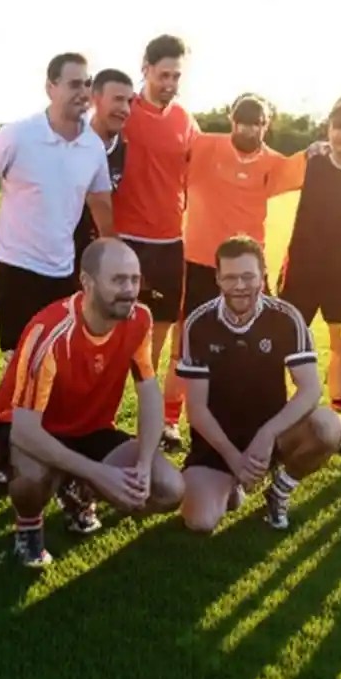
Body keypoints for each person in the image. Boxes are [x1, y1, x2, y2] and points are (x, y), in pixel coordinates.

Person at [0, 238, 185, 567]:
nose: (129, 290)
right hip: (36, 428)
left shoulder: (139, 319)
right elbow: (24, 431)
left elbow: (149, 393)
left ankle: (76, 487)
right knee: (34, 476)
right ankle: (29, 530)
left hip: (91, 429)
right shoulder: (49, 331)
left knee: (168, 488)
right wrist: (99, 473)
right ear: (87, 283)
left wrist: (144, 462)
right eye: (118, 280)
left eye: (135, 280)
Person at [0, 52, 113, 360]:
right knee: (20, 363)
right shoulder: (16, 135)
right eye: (74, 84)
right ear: (51, 87)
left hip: (64, 269)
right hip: (15, 267)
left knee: (61, 359)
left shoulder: (93, 146)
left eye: (87, 84)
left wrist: (112, 257)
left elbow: (101, 205)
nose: (83, 92)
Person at [178, 236, 341, 532]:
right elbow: (196, 408)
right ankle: (230, 484)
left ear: (262, 275)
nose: (240, 285)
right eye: (230, 277)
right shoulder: (199, 323)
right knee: (200, 522)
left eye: (248, 276)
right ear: (217, 278)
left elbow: (311, 389)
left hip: (272, 435)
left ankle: (278, 491)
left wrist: (267, 433)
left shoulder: (286, 318)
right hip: (218, 443)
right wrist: (233, 457)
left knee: (328, 427)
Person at [160, 93, 307, 432]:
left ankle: (262, 417)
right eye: (242, 122)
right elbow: (169, 150)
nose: (248, 129)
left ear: (266, 125)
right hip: (198, 263)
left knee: (259, 344)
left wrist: (315, 150)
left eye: (256, 123)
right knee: (186, 343)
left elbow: (312, 169)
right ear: (231, 120)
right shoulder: (204, 147)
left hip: (248, 271)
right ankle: (170, 419)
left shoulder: (274, 163)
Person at [277, 96, 341, 441]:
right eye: (339, 128)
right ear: (329, 129)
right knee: (285, 343)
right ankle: (278, 415)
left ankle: (338, 424)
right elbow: (270, 177)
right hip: (302, 270)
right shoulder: (313, 162)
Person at [112, 34, 200, 450]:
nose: (169, 83)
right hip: (124, 240)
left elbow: (209, 163)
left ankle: (164, 422)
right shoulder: (122, 111)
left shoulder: (185, 120)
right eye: (163, 74)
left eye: (176, 76)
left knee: (159, 341)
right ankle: (101, 420)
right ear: (144, 68)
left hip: (170, 243)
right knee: (112, 336)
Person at [74, 68, 134, 267]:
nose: (125, 109)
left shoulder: (124, 146)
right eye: (117, 99)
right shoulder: (70, 143)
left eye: (129, 101)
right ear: (94, 99)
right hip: (59, 261)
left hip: (97, 259)